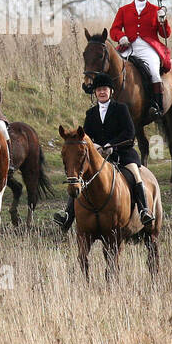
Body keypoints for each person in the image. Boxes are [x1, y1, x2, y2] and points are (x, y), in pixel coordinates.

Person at [53, 73, 154, 230]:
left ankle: (144, 210)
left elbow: (129, 132)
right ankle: (68, 214)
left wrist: (111, 145)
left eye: (105, 89)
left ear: (111, 91)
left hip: (122, 154)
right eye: (99, 90)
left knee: (135, 175)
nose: (102, 92)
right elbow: (85, 136)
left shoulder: (121, 109)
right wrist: (95, 145)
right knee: (78, 178)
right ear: (95, 92)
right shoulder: (91, 113)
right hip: (98, 155)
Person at [110, 0, 172, 119]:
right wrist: (121, 37)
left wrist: (163, 20)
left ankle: (157, 106)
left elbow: (165, 34)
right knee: (114, 69)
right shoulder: (124, 10)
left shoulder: (156, 9)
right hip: (128, 46)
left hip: (149, 48)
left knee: (154, 73)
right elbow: (114, 30)